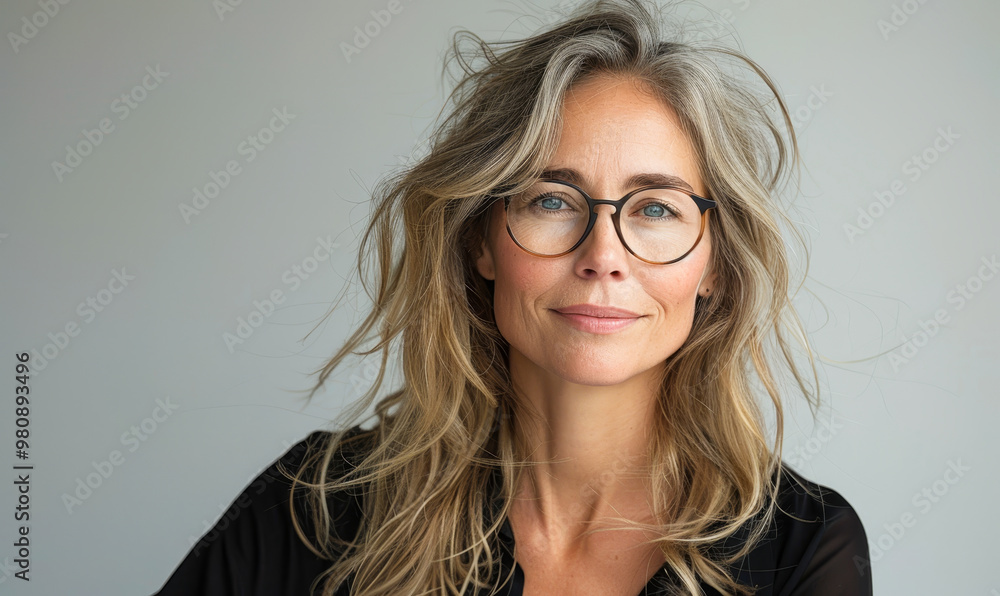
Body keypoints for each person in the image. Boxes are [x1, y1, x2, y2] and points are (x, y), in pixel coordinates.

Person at [153, 0, 872, 594]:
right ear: (481, 241)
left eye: (657, 209)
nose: (603, 257)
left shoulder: (802, 551)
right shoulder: (318, 505)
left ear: (714, 265)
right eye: (552, 200)